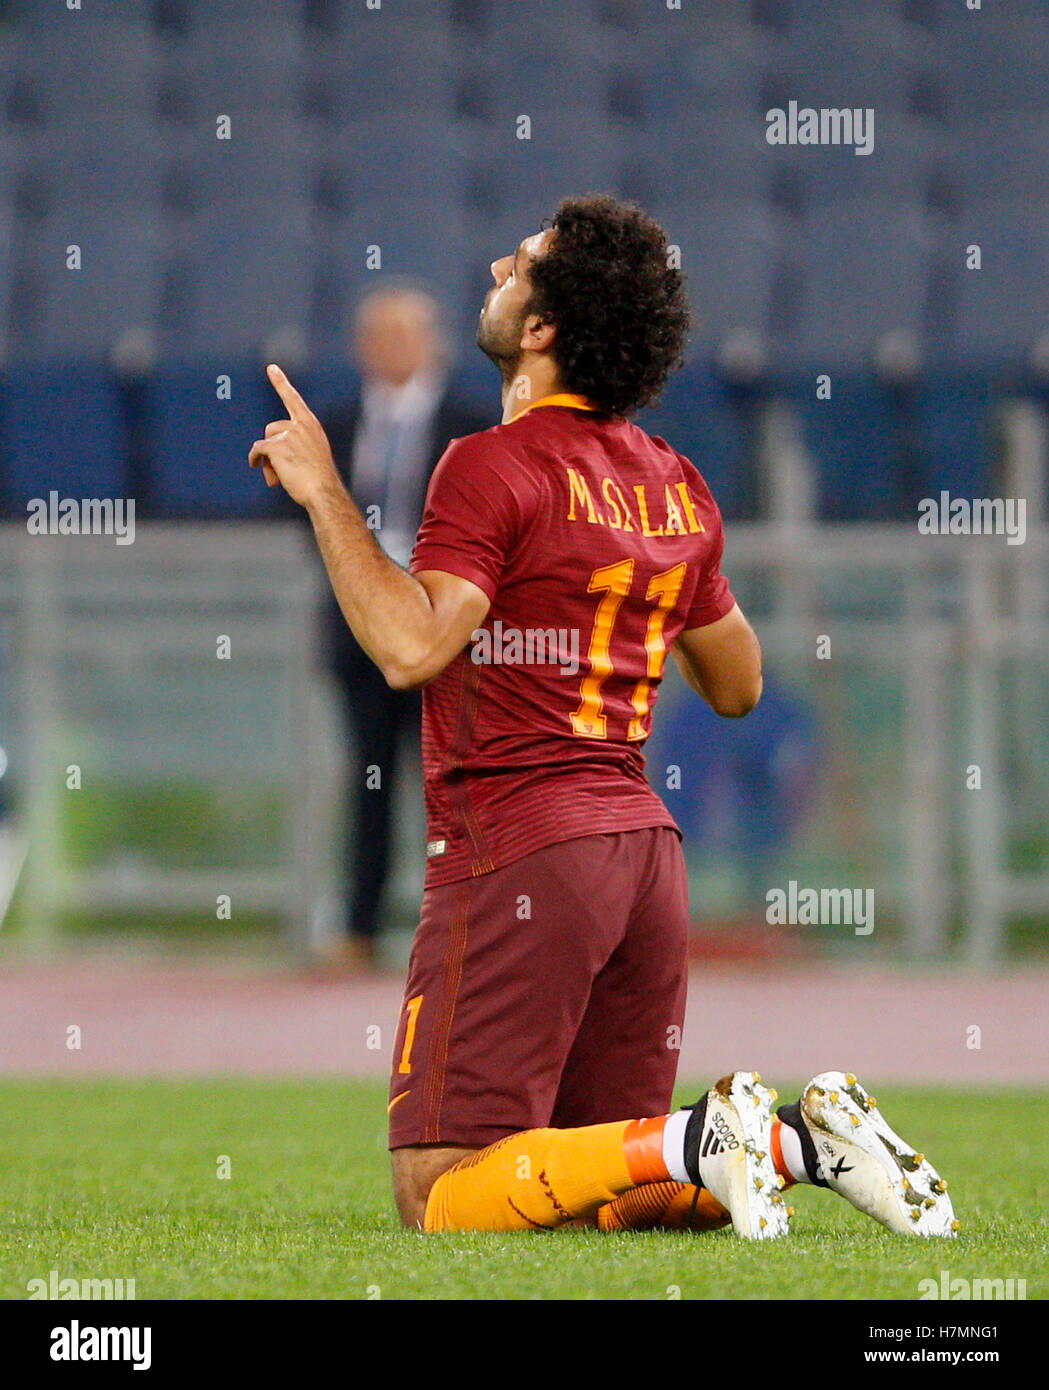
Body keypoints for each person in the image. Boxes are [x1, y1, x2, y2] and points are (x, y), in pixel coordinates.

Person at [248, 195, 956, 1239]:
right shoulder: (674, 481)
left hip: (520, 848)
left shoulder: (488, 463)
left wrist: (325, 496)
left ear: (540, 330)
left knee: (440, 1189)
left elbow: (409, 645)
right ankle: (795, 1146)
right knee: (594, 1193)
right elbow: (738, 682)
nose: (496, 261)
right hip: (638, 854)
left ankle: (701, 1136)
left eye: (520, 262)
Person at [309, 285, 492, 969]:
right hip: (360, 636)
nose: (389, 348)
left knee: (455, 785)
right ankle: (360, 926)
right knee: (369, 781)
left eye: (403, 334)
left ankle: (466, 929)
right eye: (376, 335)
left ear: (432, 341)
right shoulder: (333, 427)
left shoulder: (474, 425)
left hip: (449, 631)